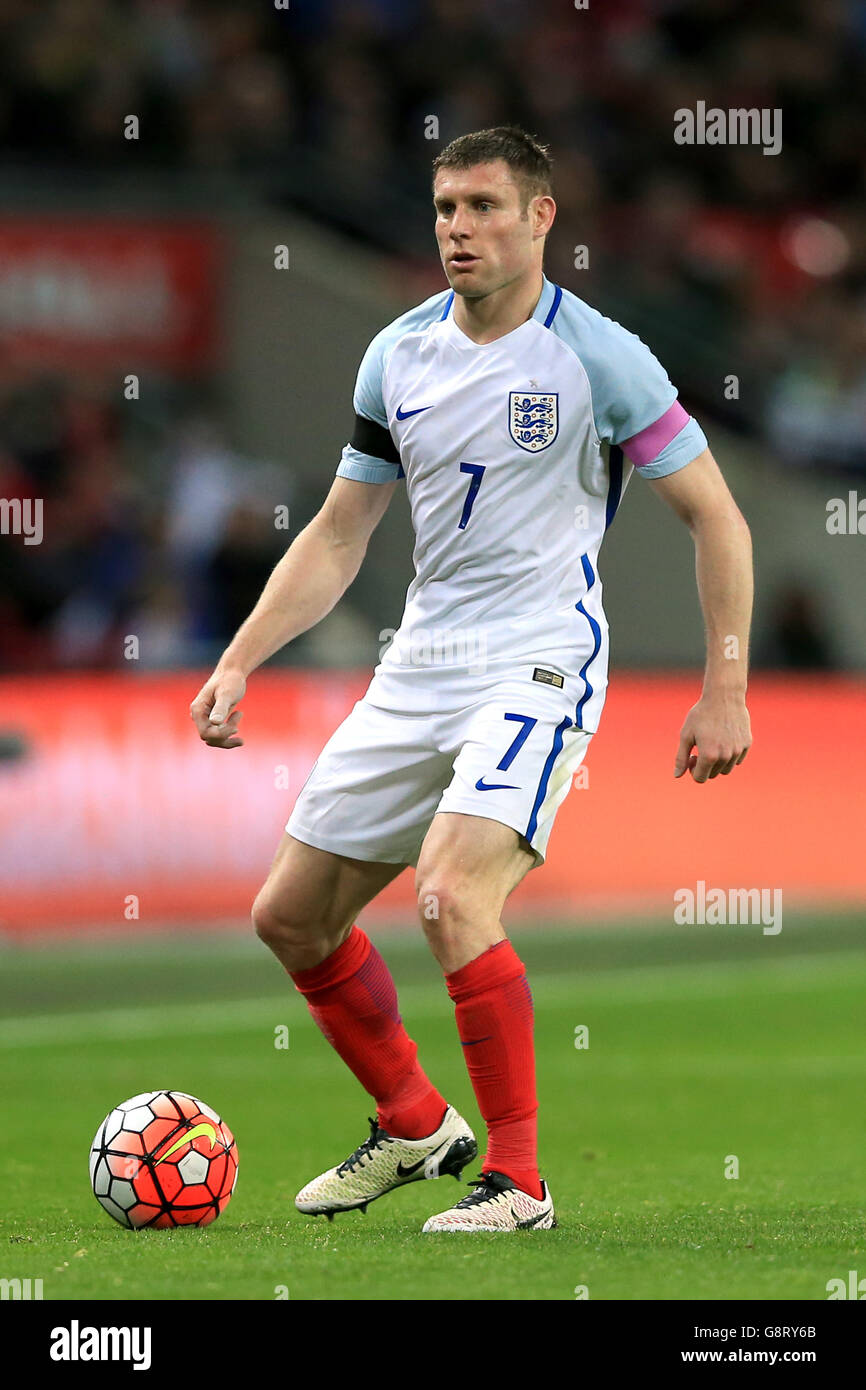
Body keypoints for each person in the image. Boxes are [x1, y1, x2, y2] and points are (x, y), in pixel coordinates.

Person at [190, 126, 753, 1234]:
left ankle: (520, 1181)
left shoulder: (600, 357)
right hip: (420, 659)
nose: (459, 228)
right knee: (289, 918)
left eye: (485, 207)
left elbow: (715, 516)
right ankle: (412, 1123)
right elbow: (341, 533)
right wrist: (242, 654)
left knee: (450, 894)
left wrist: (723, 684)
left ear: (541, 218)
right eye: (446, 208)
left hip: (539, 654)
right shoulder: (394, 354)